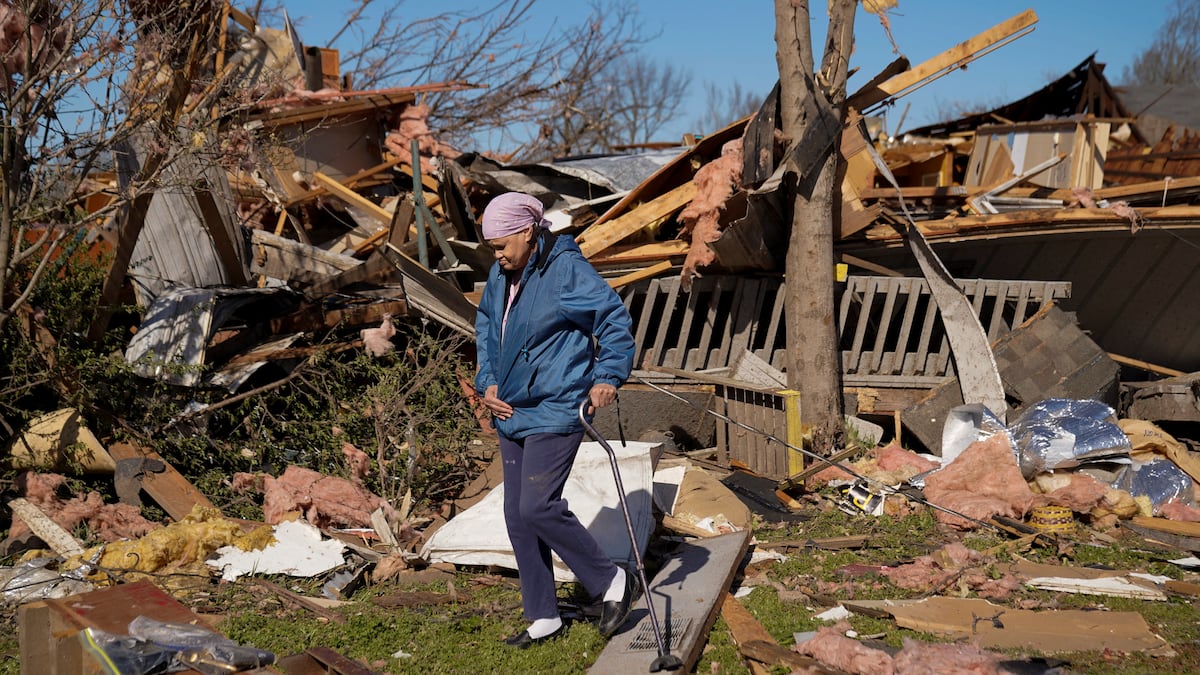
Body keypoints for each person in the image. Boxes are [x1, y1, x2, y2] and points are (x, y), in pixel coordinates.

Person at [474, 191, 639, 648]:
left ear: (527, 232)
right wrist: (487, 381)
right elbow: (487, 327)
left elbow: (611, 319)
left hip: (558, 402)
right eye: (492, 248)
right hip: (511, 408)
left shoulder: (565, 269)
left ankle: (610, 580)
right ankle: (543, 615)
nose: (498, 255)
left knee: (537, 505)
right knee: (517, 515)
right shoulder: (501, 274)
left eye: (502, 244)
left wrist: (607, 375)